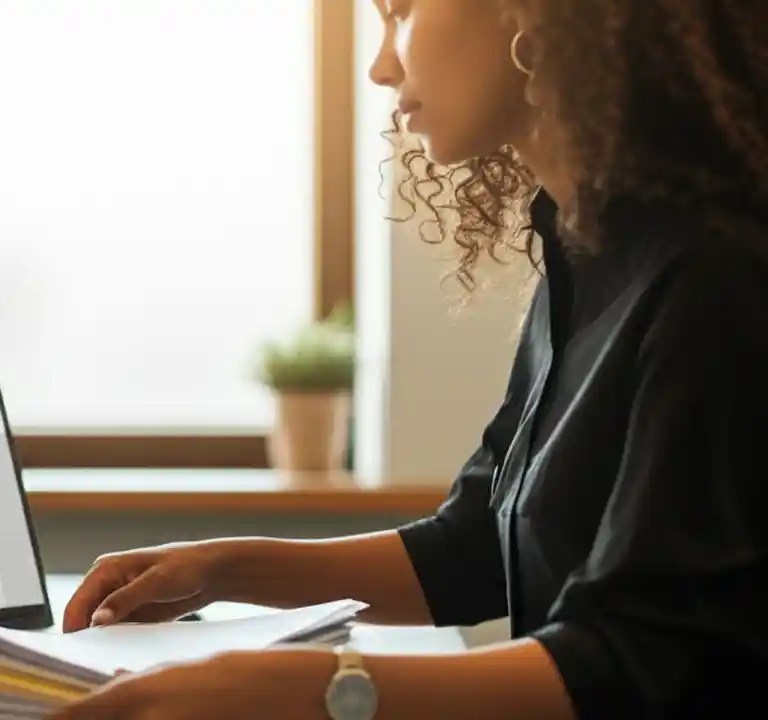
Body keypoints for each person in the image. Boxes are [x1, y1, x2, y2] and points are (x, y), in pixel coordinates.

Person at [49, 0, 768, 718]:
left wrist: (302, 691)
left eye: (400, 12)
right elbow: (478, 547)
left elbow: (647, 665)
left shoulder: (718, 276)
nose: (382, 65)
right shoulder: (587, 252)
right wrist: (220, 568)